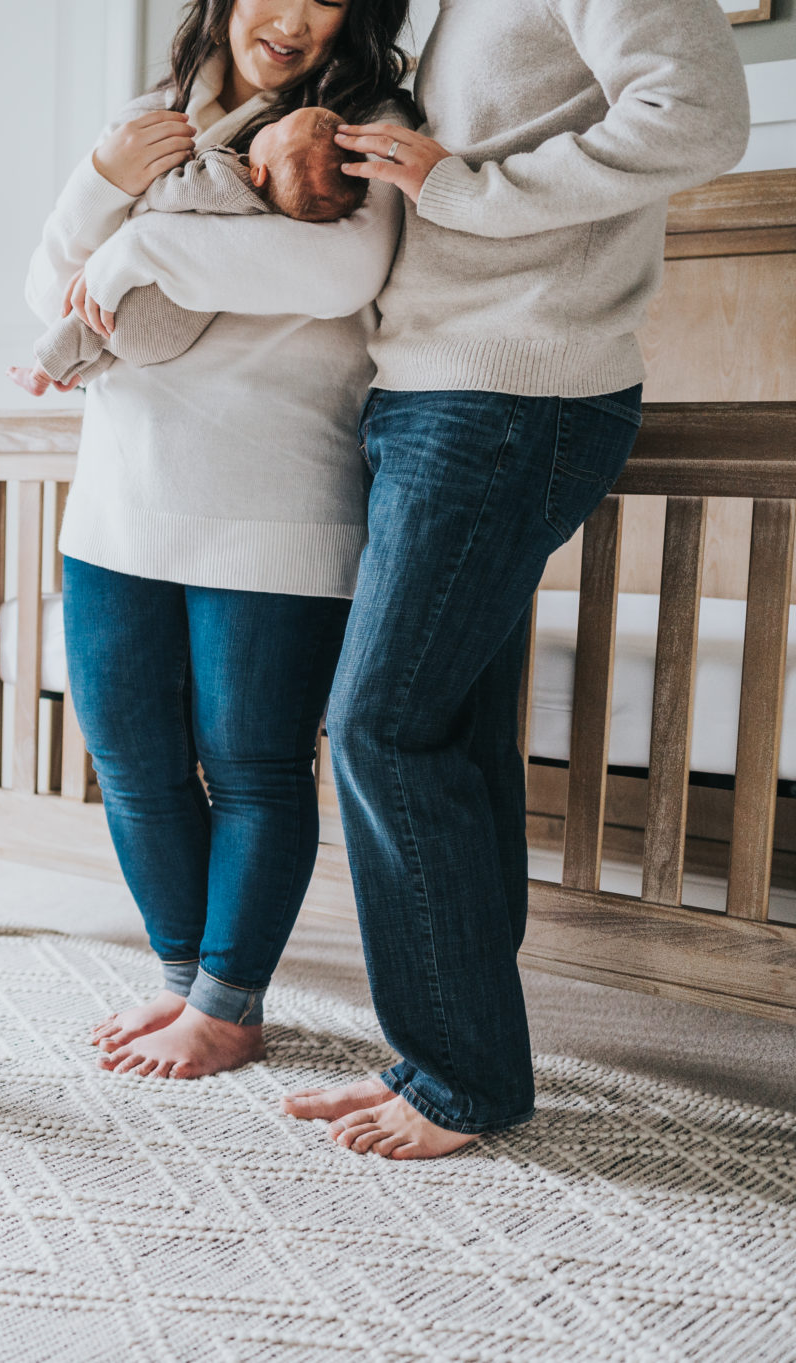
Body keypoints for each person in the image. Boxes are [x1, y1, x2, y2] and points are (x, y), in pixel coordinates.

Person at [282, 0, 752, 1159]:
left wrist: (464, 191)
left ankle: (460, 1075)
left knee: (380, 724)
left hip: (509, 390)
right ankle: (457, 1055)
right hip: (428, 387)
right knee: (449, 731)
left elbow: (698, 115)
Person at [25, 0, 417, 1079]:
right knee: (133, 763)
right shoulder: (149, 123)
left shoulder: (368, 121)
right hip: (117, 501)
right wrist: (100, 183)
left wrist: (139, 247)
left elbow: (338, 275)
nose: (289, 15)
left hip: (276, 505)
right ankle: (181, 982)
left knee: (249, 767)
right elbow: (43, 294)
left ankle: (230, 1003)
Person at [13, 106, 369, 396]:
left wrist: (174, 173)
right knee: (99, 338)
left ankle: (41, 372)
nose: (272, 122)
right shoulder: (269, 216)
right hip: (169, 336)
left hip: (143, 314)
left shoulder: (229, 182)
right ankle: (79, 373)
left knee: (85, 325)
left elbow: (169, 194)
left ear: (259, 174)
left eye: (276, 128)